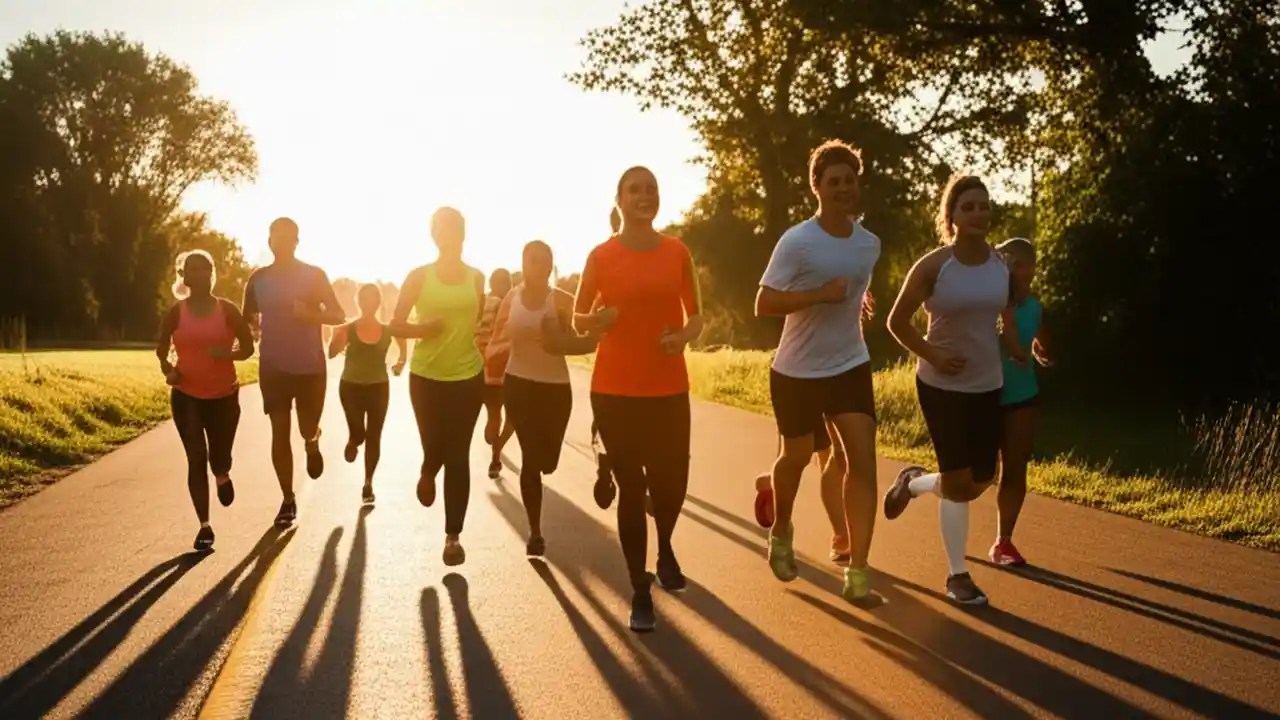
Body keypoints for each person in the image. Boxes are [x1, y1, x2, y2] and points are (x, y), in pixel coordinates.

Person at [574, 166, 703, 633]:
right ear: (620, 200)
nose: (645, 196)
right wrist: (600, 318)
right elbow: (577, 319)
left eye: (652, 189)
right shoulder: (601, 256)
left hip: (669, 387)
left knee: (671, 486)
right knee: (632, 488)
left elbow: (697, 318)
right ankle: (640, 589)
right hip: (615, 389)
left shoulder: (677, 252)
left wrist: (683, 337)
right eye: (636, 190)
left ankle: (664, 542)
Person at [755, 139, 882, 605]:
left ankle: (859, 572)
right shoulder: (798, 241)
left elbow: (857, 290)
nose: (843, 188)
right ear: (817, 188)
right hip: (797, 370)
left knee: (862, 462)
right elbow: (764, 302)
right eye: (834, 181)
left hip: (850, 363)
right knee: (797, 457)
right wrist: (820, 296)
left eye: (849, 179)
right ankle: (782, 529)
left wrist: (850, 303)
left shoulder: (870, 244)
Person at [882, 174, 1011, 606]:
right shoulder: (935, 266)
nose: (978, 213)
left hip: (988, 385)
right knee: (958, 483)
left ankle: (914, 483)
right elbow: (896, 322)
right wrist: (933, 355)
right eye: (968, 207)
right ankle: (958, 575)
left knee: (981, 480)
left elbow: (1004, 315)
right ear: (952, 216)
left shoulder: (1000, 264)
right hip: (941, 385)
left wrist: (1026, 346)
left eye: (984, 206)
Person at [485, 240, 599, 556]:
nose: (537, 264)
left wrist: (563, 341)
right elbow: (496, 339)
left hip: (555, 388)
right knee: (531, 460)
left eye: (543, 259)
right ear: (523, 264)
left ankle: (544, 467)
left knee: (548, 461)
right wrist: (488, 377)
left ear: (550, 265)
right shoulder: (511, 298)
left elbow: (587, 336)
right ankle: (535, 533)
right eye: (531, 259)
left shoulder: (561, 301)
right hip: (519, 384)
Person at [391, 206, 486, 567]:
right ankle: (428, 470)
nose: (451, 235)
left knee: (458, 453)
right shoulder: (418, 277)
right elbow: (394, 325)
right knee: (435, 447)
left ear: (463, 233)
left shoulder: (477, 277)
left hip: (467, 376)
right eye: (443, 230)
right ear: (434, 235)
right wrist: (421, 330)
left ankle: (453, 537)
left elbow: (475, 320)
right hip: (427, 377)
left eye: (456, 229)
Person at [243, 217, 345, 528]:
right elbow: (246, 318)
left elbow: (339, 314)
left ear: (297, 241)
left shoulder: (314, 276)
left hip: (310, 366)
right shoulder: (258, 279)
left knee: (305, 426)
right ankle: (287, 499)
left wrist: (310, 314)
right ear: (270, 241)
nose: (283, 242)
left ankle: (312, 441)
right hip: (273, 366)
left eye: (289, 237)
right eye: (277, 237)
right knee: (279, 429)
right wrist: (246, 334)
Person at [156, 250, 255, 550]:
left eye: (204, 269)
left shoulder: (227, 310)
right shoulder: (176, 312)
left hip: (224, 396)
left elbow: (249, 347)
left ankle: (222, 474)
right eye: (191, 270)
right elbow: (161, 350)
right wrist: (169, 370)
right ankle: (204, 526)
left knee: (218, 458)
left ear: (212, 274)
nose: (198, 275)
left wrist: (227, 354)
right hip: (186, 396)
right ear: (183, 277)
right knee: (196, 457)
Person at [990, 237, 1053, 566]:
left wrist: (1044, 353)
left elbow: (1042, 344)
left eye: (1029, 275)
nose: (1023, 281)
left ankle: (1004, 542)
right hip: (984, 395)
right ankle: (916, 484)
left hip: (1022, 397)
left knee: (1015, 469)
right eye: (1017, 272)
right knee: (976, 474)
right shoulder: (988, 305)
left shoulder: (1035, 307)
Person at [328, 283, 408, 506]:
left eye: (373, 299)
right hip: (351, 387)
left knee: (374, 436)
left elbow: (403, 340)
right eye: (364, 299)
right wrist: (336, 340)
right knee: (360, 432)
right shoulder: (349, 328)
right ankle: (354, 439)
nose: (369, 303)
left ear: (378, 303)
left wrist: (401, 361)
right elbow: (331, 353)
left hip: (378, 387)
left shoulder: (386, 329)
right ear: (359, 302)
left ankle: (368, 482)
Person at [478, 269, 515, 479]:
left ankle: (495, 446)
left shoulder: (486, 306)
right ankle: (496, 454)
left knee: (495, 416)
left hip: (490, 370)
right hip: (511, 369)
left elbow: (479, 336)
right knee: (512, 418)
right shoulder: (513, 306)